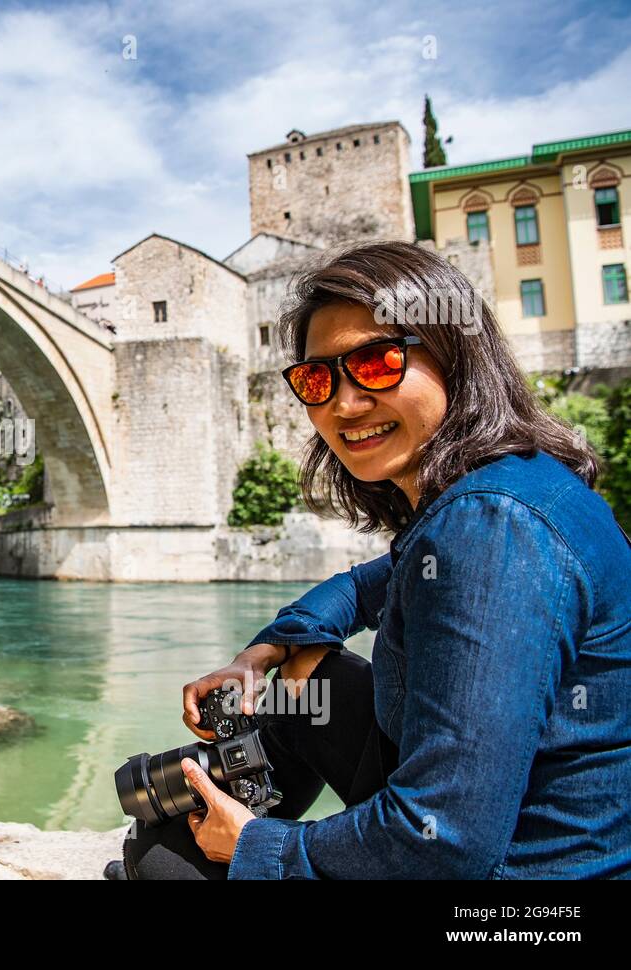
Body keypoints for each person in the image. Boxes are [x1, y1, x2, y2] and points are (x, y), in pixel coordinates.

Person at [119, 241, 631, 879]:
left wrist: (258, 845)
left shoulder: (494, 527)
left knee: (162, 865)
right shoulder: (506, 491)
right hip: (495, 842)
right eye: (317, 379)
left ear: (455, 354)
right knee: (311, 691)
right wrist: (269, 651)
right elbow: (365, 587)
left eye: (379, 362)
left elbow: (444, 840)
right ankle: (206, 803)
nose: (344, 403)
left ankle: (206, 830)